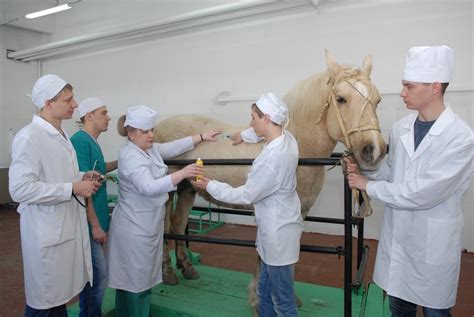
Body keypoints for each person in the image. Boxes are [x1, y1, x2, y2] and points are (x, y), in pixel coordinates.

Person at [346, 46, 474, 317]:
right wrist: (364, 171)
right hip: (398, 242)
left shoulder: (460, 138)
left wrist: (367, 185)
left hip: (432, 247)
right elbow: (390, 173)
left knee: (435, 312)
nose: (402, 93)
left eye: (408, 86)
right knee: (399, 310)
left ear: (435, 87)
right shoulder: (400, 128)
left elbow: (424, 193)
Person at [193, 93, 303, 317]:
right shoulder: (287, 139)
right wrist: (243, 136)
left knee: (282, 299)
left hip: (277, 234)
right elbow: (260, 132)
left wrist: (210, 184)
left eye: (253, 117)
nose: (251, 122)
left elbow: (246, 195)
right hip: (277, 227)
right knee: (264, 289)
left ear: (267, 118)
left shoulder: (273, 160)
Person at [106, 105, 221, 317]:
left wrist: (201, 136)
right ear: (131, 133)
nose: (151, 135)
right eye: (145, 132)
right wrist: (183, 173)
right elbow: (148, 187)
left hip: (147, 225)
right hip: (134, 229)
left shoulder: (148, 149)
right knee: (134, 286)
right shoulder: (131, 156)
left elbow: (173, 147)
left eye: (151, 130)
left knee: (138, 283)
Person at [9, 74, 102, 316]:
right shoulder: (29, 137)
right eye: (68, 99)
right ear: (48, 103)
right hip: (46, 232)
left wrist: (82, 177)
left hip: (64, 228)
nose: (75, 104)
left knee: (58, 300)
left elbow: (57, 173)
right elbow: (19, 189)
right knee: (44, 302)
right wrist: (72, 188)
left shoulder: (60, 134)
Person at [71, 97, 118, 317]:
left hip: (96, 222)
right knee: (97, 280)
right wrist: (96, 226)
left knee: (96, 279)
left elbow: (98, 168)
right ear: (89, 116)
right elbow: (83, 188)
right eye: (103, 113)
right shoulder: (80, 141)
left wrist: (122, 160)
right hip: (89, 225)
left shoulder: (91, 140)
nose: (108, 118)